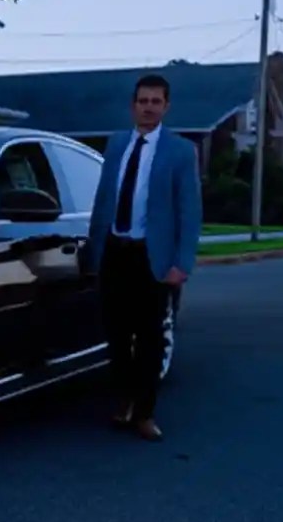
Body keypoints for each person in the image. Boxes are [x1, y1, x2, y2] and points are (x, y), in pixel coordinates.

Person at [85, 74, 202, 442]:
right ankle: (123, 402)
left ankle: (145, 413)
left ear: (166, 106)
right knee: (117, 336)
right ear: (133, 105)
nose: (148, 107)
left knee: (150, 339)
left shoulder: (180, 151)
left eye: (155, 101)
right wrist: (94, 250)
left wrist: (181, 263)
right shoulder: (117, 144)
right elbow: (104, 201)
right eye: (142, 100)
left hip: (152, 258)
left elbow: (189, 210)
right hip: (115, 252)